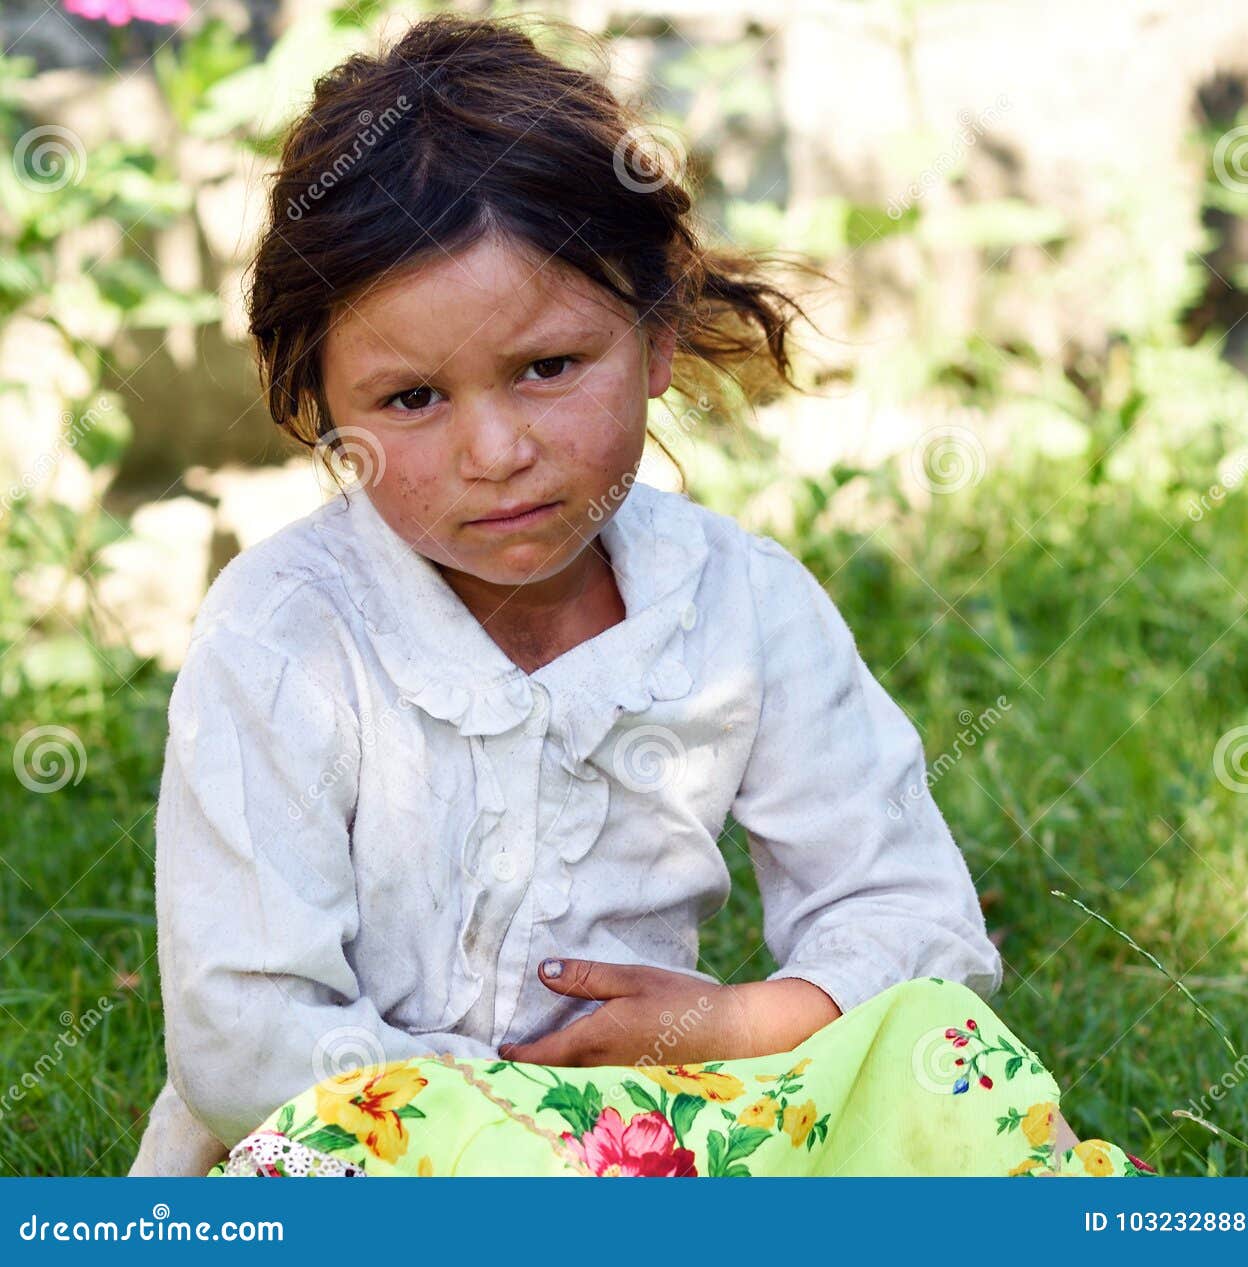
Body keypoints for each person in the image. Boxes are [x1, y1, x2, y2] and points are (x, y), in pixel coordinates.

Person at [128, 12, 1147, 1179]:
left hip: (659, 1130)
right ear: (319, 407)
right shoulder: (287, 633)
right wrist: (508, 1135)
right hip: (382, 1152)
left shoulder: (742, 606)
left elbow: (906, 910)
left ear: (654, 339)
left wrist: (746, 1026)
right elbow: (244, 1031)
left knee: (935, 1045)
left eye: (547, 368)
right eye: (412, 398)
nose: (497, 449)